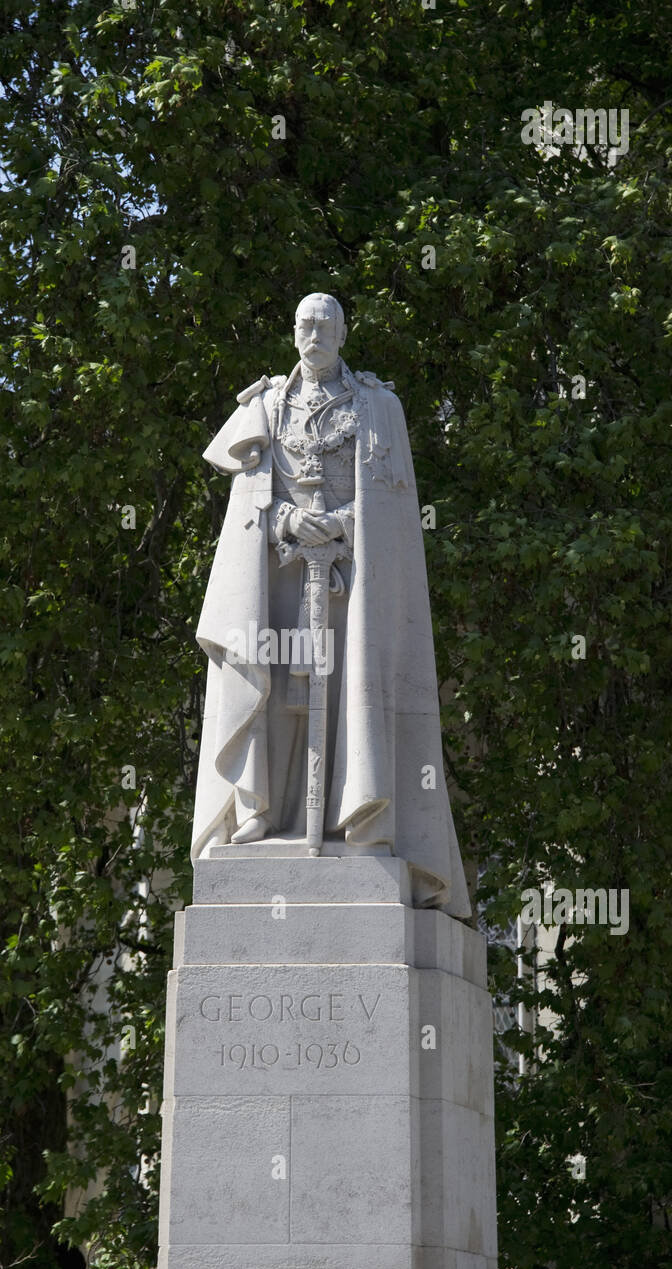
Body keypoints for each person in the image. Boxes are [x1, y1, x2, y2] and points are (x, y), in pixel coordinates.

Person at [191, 293, 470, 916]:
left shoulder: (378, 407)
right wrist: (290, 519)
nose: (313, 332)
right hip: (281, 577)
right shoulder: (263, 406)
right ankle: (264, 810)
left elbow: (393, 512)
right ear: (292, 333)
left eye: (325, 324)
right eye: (304, 323)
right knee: (276, 695)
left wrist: (341, 524)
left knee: (352, 697)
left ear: (343, 334)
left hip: (355, 585)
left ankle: (357, 820)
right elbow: (248, 506)